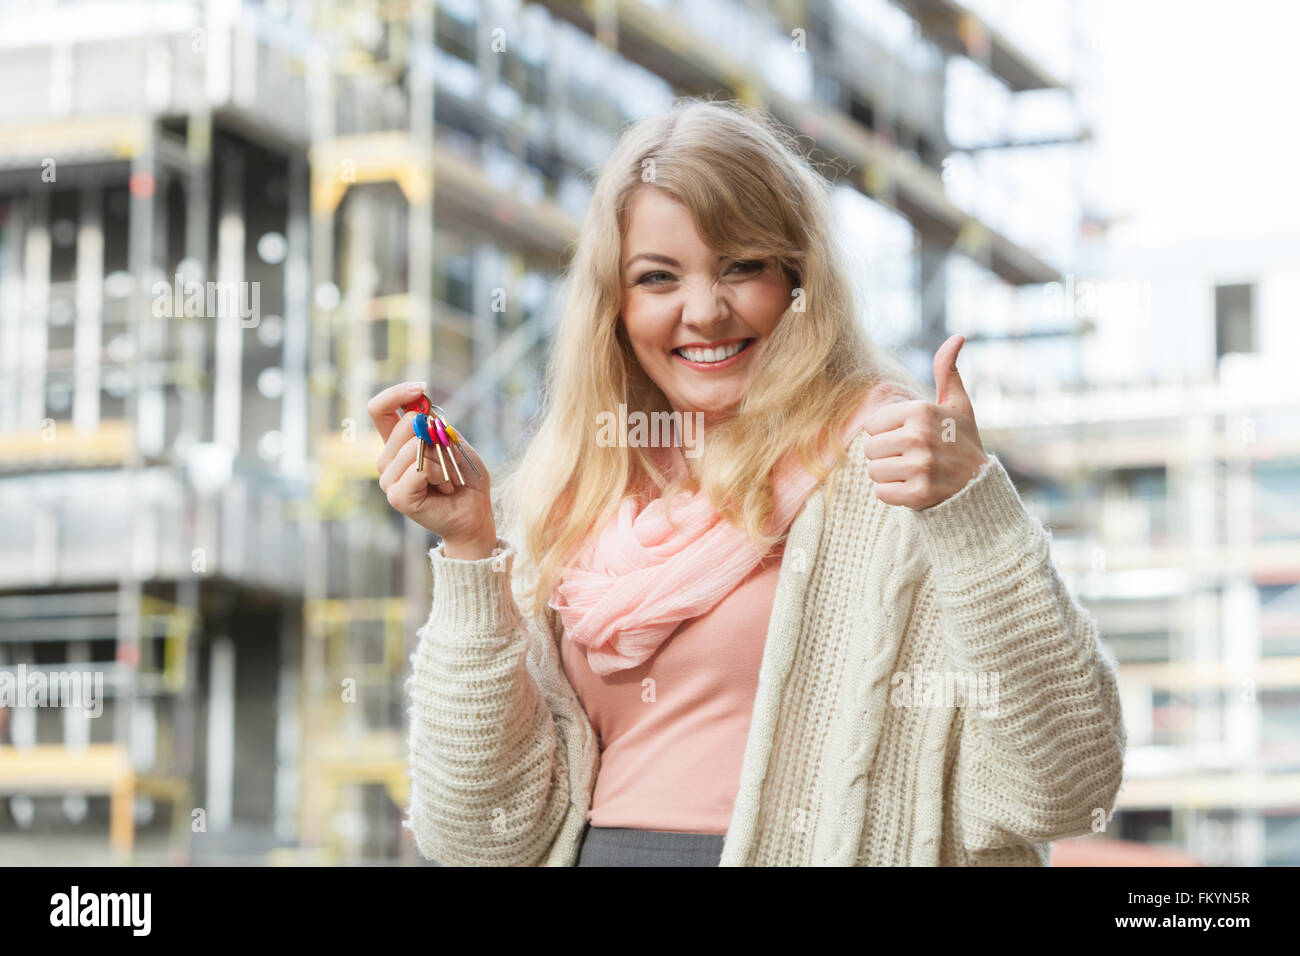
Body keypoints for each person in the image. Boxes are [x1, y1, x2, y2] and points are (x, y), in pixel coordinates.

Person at [370, 98, 1125, 867]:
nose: (705, 311)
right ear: (615, 306)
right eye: (658, 278)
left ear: (800, 279)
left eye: (742, 267)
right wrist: (469, 549)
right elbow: (475, 839)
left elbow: (1066, 785)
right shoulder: (578, 493)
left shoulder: (898, 463)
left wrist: (977, 513)